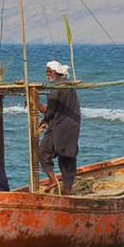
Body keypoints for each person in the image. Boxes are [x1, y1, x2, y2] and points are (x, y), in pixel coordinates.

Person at [38, 60, 82, 195]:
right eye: (47, 72)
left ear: (56, 73)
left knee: (43, 152)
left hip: (59, 127)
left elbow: (51, 112)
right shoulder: (70, 86)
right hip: (72, 126)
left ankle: (52, 180)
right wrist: (46, 116)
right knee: (68, 157)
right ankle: (67, 189)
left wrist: (40, 108)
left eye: (49, 72)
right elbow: (61, 108)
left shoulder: (56, 88)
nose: (48, 74)